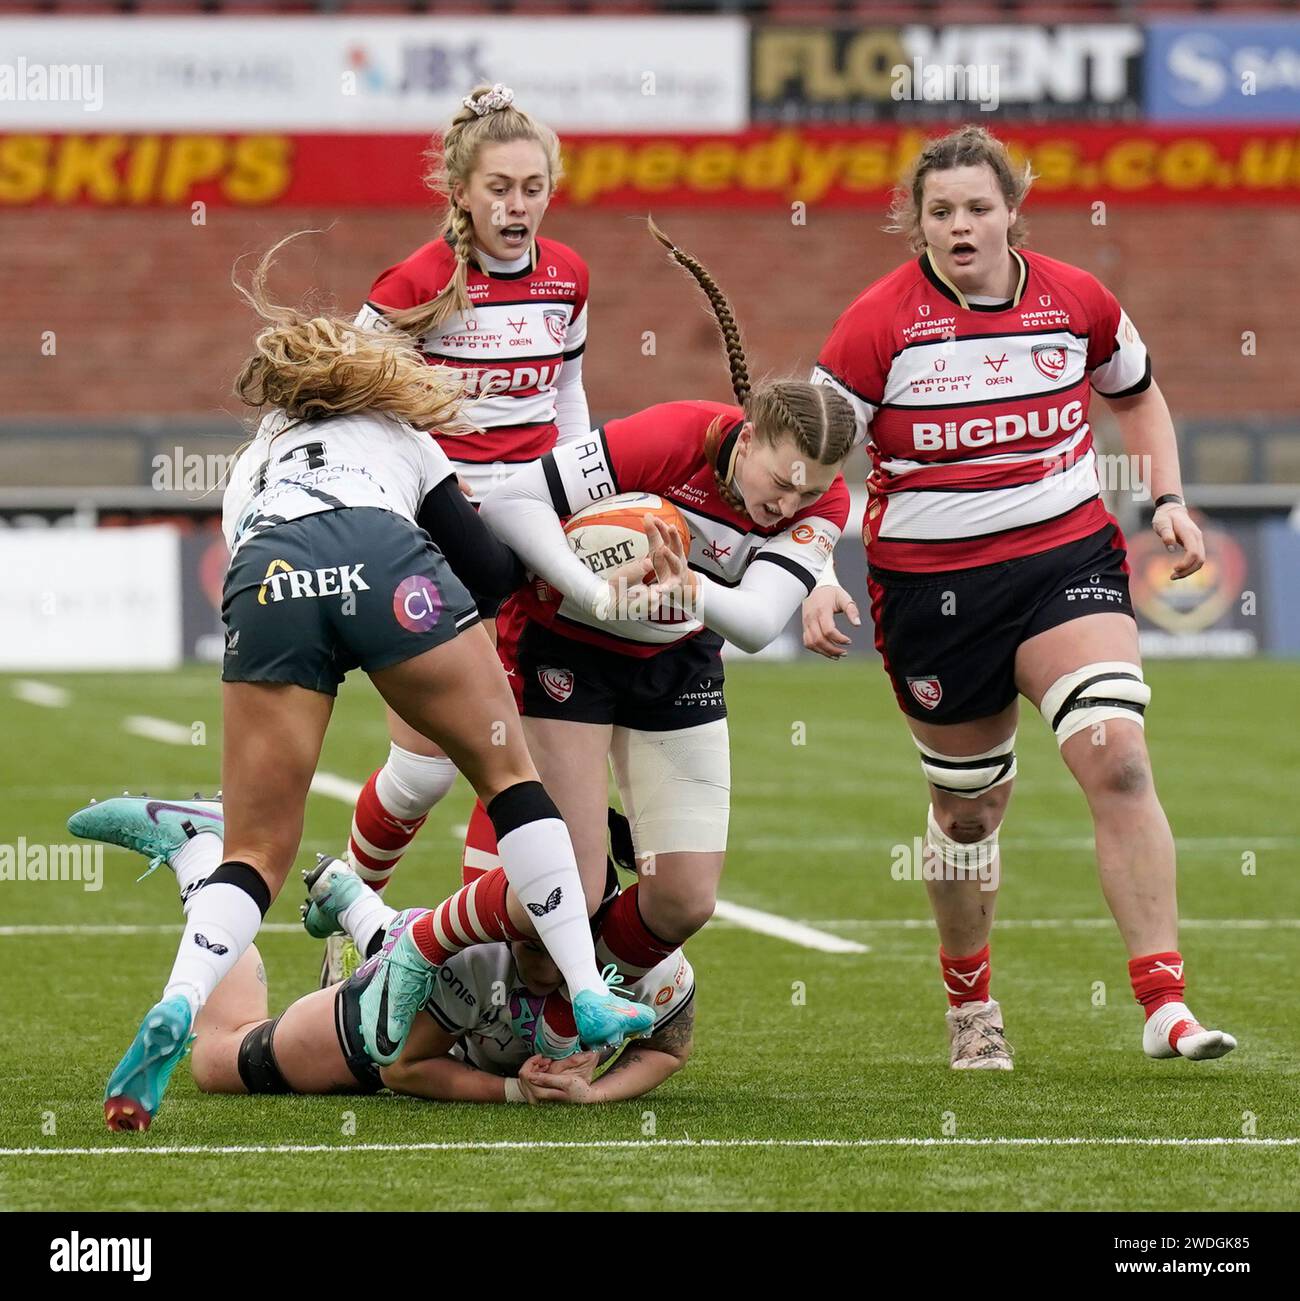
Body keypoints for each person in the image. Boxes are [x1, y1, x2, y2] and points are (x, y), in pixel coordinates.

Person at [87, 237, 650, 1132]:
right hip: (386, 563)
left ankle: (179, 996)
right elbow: (487, 574)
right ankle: (585, 989)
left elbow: (254, 573)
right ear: (368, 375)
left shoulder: (250, 465)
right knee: (509, 778)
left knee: (259, 849)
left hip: (271, 575)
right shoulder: (403, 433)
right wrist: (560, 556)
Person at [805, 125, 1235, 1069]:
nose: (960, 226)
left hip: (1064, 561)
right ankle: (971, 1004)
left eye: (978, 208)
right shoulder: (877, 325)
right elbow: (810, 457)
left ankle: (1164, 1002)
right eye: (941, 212)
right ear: (916, 222)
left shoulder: (1077, 300)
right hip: (931, 594)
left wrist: (1166, 497)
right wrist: (806, 568)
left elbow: (1141, 396)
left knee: (1118, 757)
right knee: (967, 814)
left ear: (1013, 211)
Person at [467, 219, 856, 1056]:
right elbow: (511, 501)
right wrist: (592, 586)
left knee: (683, 902)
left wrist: (689, 592)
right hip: (567, 647)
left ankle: (569, 1004)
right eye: (779, 480)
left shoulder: (824, 505)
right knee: (558, 894)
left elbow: (752, 621)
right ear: (748, 438)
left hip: (677, 664)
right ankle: (515, 998)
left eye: (810, 491)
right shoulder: (676, 434)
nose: (788, 505)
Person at [330, 83, 594, 976]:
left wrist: (580, 499)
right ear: (461, 192)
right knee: (430, 770)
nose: (517, 206)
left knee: (509, 752)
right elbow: (344, 393)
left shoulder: (568, 276)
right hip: (439, 542)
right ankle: (355, 915)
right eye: (499, 188)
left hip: (536, 537)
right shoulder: (413, 285)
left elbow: (566, 397)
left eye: (532, 187)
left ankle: (494, 970)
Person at [68, 803, 691, 1105]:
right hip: (417, 1002)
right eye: (528, 938)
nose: (538, 956)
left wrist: (595, 1095)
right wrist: (511, 1094)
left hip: (463, 1006)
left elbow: (667, 1048)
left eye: (558, 944)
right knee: (218, 1060)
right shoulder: (477, 957)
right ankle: (201, 850)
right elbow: (403, 1070)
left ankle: (351, 900)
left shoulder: (649, 963)